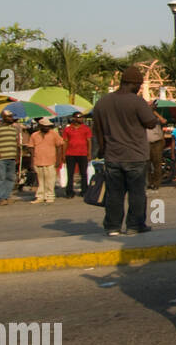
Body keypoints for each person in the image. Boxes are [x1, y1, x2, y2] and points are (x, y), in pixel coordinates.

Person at [92, 65, 161, 236]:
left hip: (112, 155)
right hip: (136, 156)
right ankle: (134, 225)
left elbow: (98, 130)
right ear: (135, 84)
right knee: (136, 193)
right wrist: (151, 111)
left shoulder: (102, 102)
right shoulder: (137, 101)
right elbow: (151, 123)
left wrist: (102, 149)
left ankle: (113, 227)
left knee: (114, 193)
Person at [0, 110, 23, 205]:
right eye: (9, 117)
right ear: (3, 117)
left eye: (12, 116)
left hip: (11, 156)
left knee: (10, 178)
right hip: (0, 157)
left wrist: (17, 155)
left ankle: (6, 196)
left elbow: (16, 143)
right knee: (0, 178)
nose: (12, 118)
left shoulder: (14, 129)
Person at [28, 118, 64, 203]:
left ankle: (50, 196)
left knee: (50, 179)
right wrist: (32, 161)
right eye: (45, 126)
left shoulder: (54, 134)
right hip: (38, 160)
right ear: (40, 126)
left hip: (51, 159)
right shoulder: (34, 135)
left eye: (48, 126)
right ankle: (40, 196)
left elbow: (59, 146)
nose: (47, 128)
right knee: (40, 180)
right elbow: (31, 148)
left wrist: (59, 159)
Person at [60, 112, 92, 198]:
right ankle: (70, 192)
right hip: (70, 153)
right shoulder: (67, 129)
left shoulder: (86, 128)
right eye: (78, 117)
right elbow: (65, 142)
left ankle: (84, 191)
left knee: (83, 173)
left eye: (81, 117)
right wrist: (63, 154)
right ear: (73, 118)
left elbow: (89, 141)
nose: (79, 119)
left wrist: (89, 153)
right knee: (70, 174)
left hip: (83, 153)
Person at [146, 120, 166, 190]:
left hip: (157, 142)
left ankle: (156, 183)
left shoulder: (156, 119)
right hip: (146, 143)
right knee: (146, 165)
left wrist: (154, 112)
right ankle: (149, 182)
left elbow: (164, 121)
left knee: (157, 164)